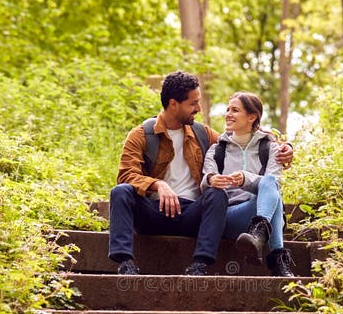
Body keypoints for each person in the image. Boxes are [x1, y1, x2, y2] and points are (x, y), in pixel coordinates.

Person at [109, 71, 293, 276]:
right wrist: (158, 185)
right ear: (173, 104)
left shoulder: (202, 134)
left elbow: (241, 137)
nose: (198, 108)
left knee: (216, 193)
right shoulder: (141, 135)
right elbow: (126, 175)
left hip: (192, 214)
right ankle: (125, 263)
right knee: (121, 191)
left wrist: (285, 148)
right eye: (193, 103)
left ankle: (201, 265)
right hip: (153, 212)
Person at [201, 91, 295, 277]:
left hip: (260, 211)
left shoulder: (270, 148)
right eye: (227, 110)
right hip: (228, 216)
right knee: (273, 200)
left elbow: (272, 183)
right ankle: (277, 257)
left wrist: (246, 179)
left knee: (270, 185)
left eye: (235, 110)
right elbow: (205, 182)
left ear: (252, 117)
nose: (228, 114)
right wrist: (212, 180)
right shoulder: (217, 150)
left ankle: (258, 234)